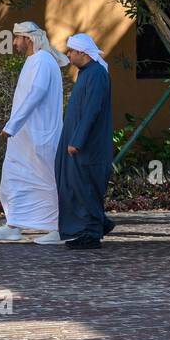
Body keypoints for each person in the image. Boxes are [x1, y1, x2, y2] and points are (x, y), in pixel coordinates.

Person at [0, 22, 67, 243]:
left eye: (17, 38)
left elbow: (36, 94)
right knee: (16, 178)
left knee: (46, 181)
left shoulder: (42, 60)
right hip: (24, 137)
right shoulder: (35, 60)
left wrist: (12, 125)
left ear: (28, 39)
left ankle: (57, 228)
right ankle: (14, 225)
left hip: (39, 135)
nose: (14, 43)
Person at [55, 33, 115, 250]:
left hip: (89, 147)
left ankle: (92, 233)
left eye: (71, 51)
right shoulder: (87, 73)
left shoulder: (97, 74)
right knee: (76, 186)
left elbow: (92, 111)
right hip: (78, 143)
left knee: (86, 188)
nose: (68, 55)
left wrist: (77, 140)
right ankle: (99, 224)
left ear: (81, 52)